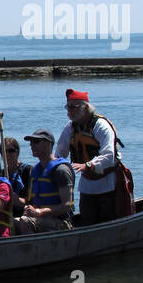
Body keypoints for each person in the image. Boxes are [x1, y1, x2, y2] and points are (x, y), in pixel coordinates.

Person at [55, 88, 122, 225]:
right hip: (87, 184)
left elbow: (109, 156)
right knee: (88, 221)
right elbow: (59, 154)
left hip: (108, 183)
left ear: (85, 108)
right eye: (68, 107)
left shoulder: (101, 126)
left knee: (108, 221)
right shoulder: (70, 127)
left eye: (74, 107)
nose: (70, 111)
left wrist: (88, 165)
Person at [13, 130, 74, 234]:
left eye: (36, 142)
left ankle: (35, 249)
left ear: (48, 144)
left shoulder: (61, 170)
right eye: (31, 142)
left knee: (25, 221)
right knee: (10, 222)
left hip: (61, 222)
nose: (32, 145)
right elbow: (30, 202)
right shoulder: (36, 170)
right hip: (40, 219)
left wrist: (39, 212)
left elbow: (67, 205)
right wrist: (17, 200)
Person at [2, 137, 28, 213]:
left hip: (23, 214)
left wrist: (18, 200)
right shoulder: (1, 174)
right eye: (4, 151)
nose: (7, 154)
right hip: (6, 214)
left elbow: (33, 201)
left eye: (11, 151)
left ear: (18, 152)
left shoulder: (27, 170)